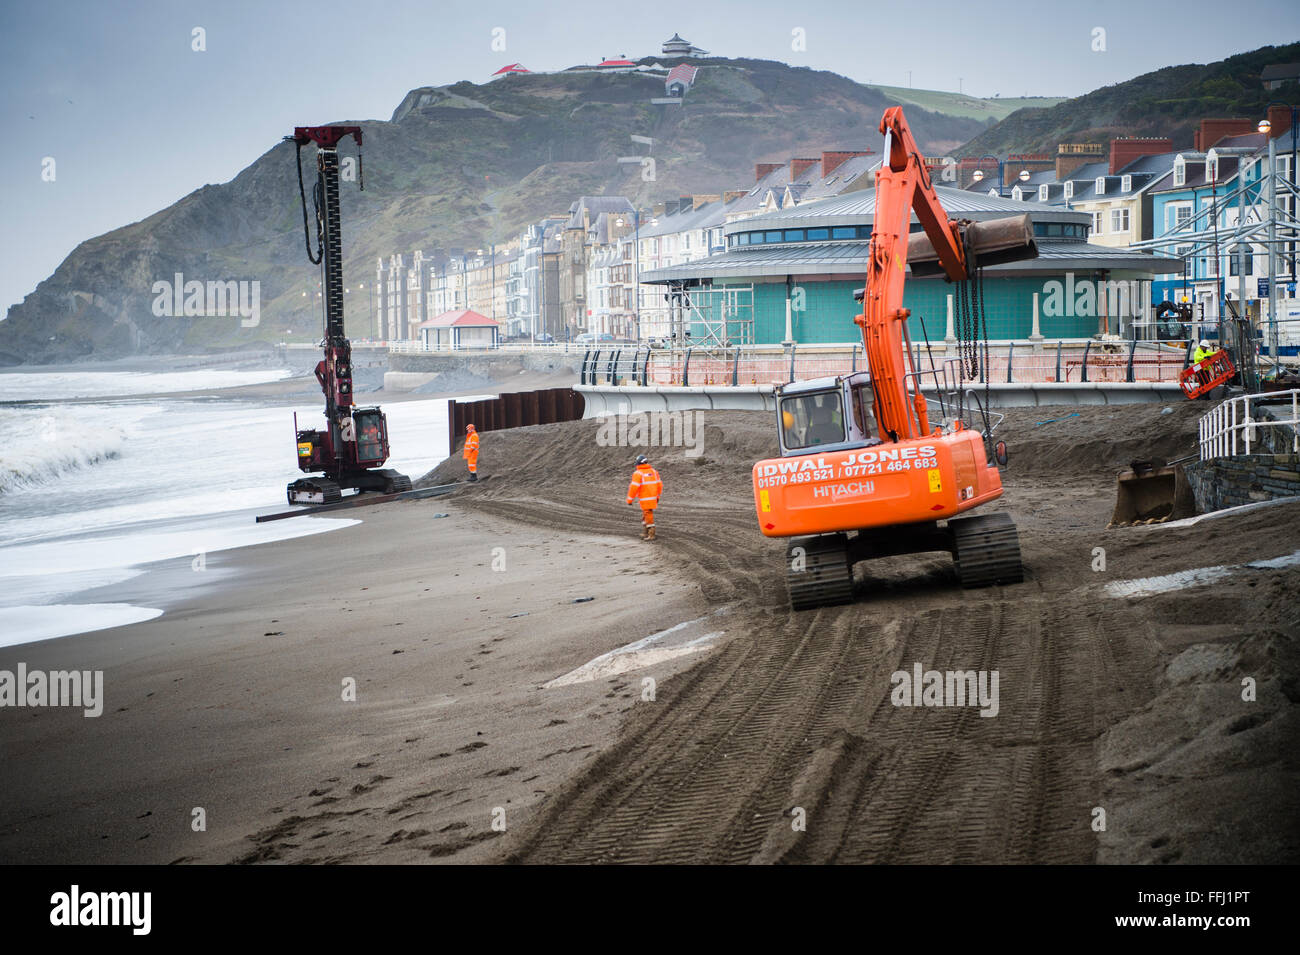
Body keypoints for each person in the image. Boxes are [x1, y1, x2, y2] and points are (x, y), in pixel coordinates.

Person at [626, 454, 662, 541]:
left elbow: (633, 488)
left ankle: (651, 534)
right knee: (646, 513)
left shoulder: (638, 473)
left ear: (638, 463)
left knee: (648, 514)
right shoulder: (654, 472)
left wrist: (630, 499)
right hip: (653, 498)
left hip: (645, 498)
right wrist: (657, 496)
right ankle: (645, 532)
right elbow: (659, 485)